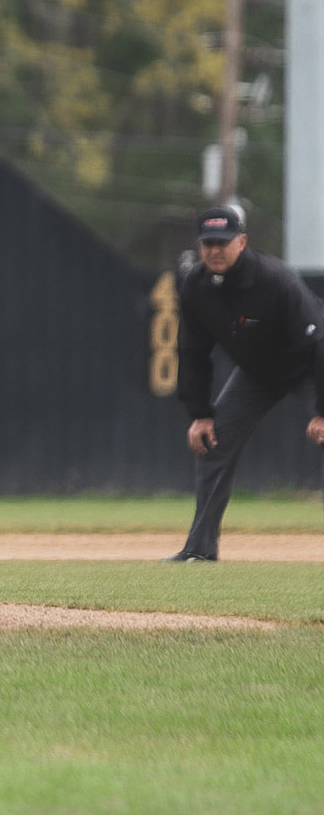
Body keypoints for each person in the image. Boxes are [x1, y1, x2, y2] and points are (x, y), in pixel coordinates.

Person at [165, 205, 324, 562]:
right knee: (212, 443)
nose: (214, 250)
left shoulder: (273, 278)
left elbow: (318, 341)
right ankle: (199, 551)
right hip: (259, 373)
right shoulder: (196, 285)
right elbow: (192, 351)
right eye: (208, 243)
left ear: (242, 242)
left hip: (309, 364)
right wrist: (201, 414)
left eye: (223, 242)